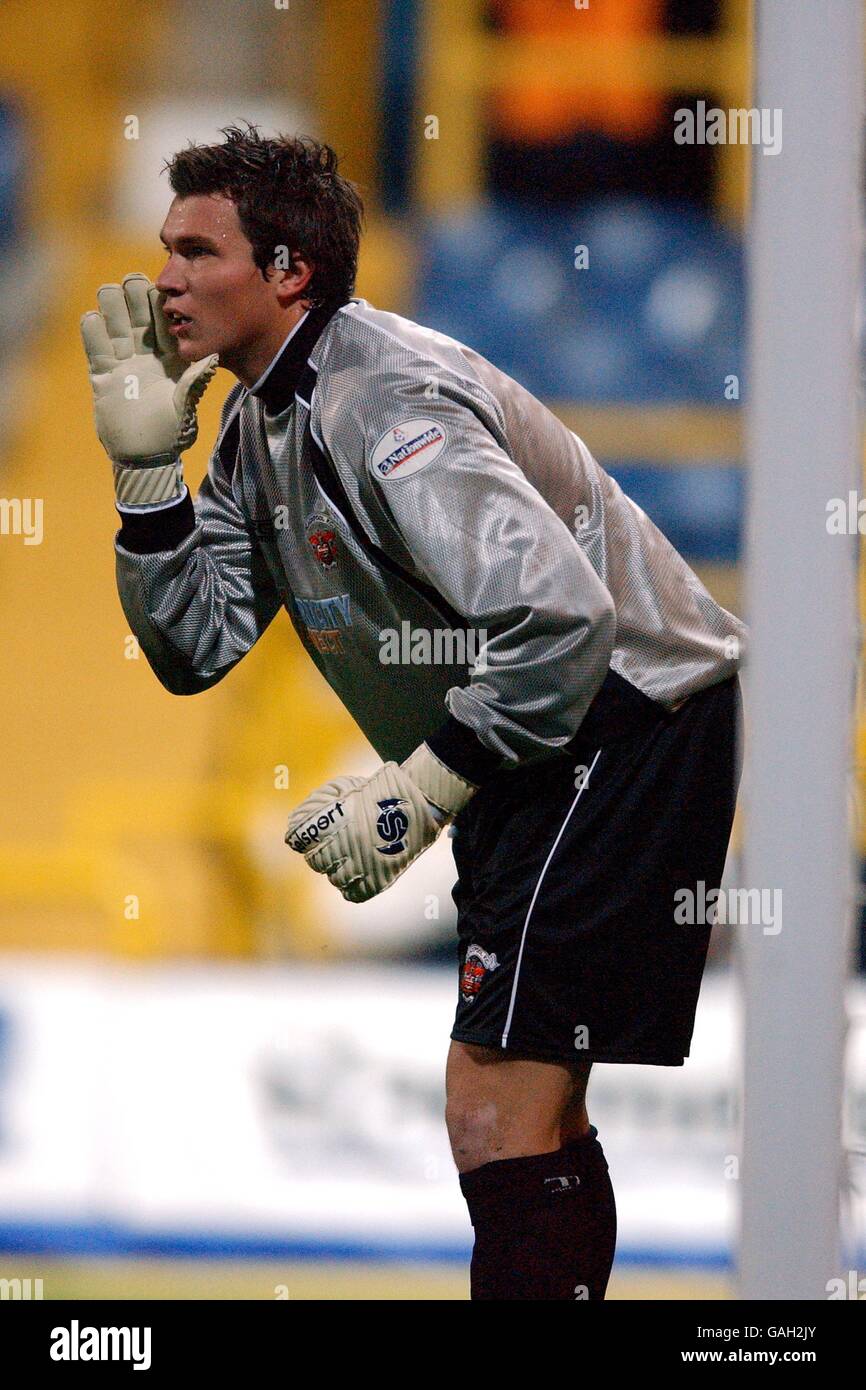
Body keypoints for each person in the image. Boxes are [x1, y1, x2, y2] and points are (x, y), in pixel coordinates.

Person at [81, 123, 746, 1301]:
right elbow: (190, 650)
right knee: (512, 1111)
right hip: (540, 732)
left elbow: (562, 620)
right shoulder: (256, 427)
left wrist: (417, 787)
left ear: (288, 270)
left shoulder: (383, 402)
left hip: (619, 718)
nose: (165, 280)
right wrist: (145, 486)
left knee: (494, 1104)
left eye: (197, 250)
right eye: (165, 250)